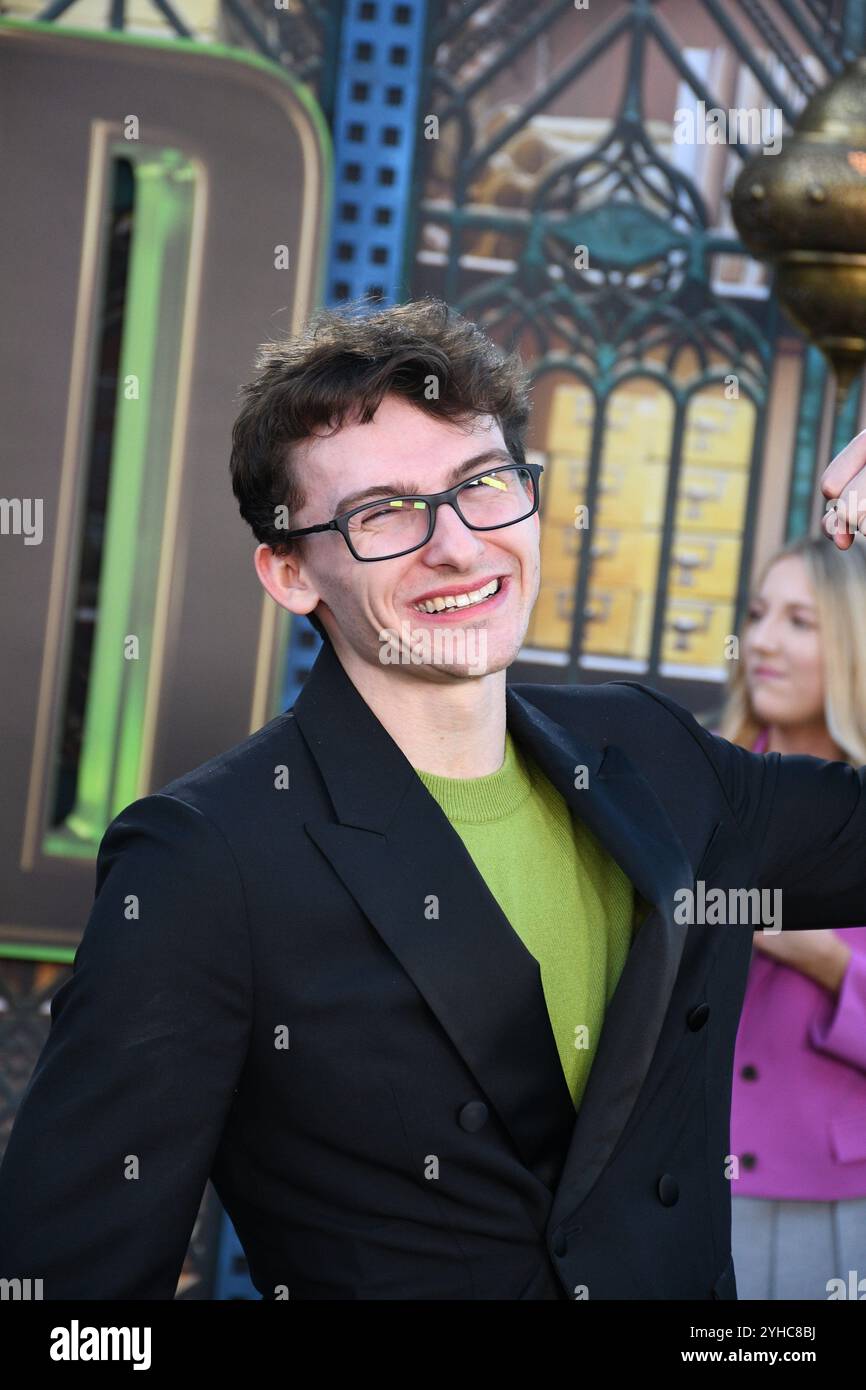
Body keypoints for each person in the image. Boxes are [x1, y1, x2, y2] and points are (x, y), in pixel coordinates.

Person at [2, 296, 866, 1301]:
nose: (456, 544)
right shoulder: (206, 860)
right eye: (381, 513)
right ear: (290, 573)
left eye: (483, 484)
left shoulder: (650, 752)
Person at [715, 536, 866, 1300]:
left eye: (801, 622)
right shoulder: (697, 781)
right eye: (758, 614)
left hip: (837, 1206)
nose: (763, 642)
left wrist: (825, 959)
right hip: (683, 1187)